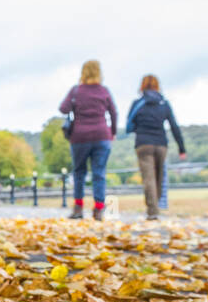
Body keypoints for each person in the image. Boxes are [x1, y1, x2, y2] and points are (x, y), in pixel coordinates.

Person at [59, 59, 117, 220]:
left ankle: (78, 208)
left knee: (79, 172)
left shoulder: (76, 91)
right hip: (101, 135)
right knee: (99, 173)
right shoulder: (104, 91)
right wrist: (112, 132)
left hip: (80, 136)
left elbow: (63, 108)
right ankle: (98, 210)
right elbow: (114, 113)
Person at [125, 75, 186, 220]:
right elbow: (174, 126)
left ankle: (152, 210)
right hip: (161, 144)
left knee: (148, 178)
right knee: (159, 177)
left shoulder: (138, 103)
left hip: (143, 143)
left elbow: (129, 124)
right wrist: (181, 148)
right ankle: (156, 206)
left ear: (142, 86)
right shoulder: (164, 104)